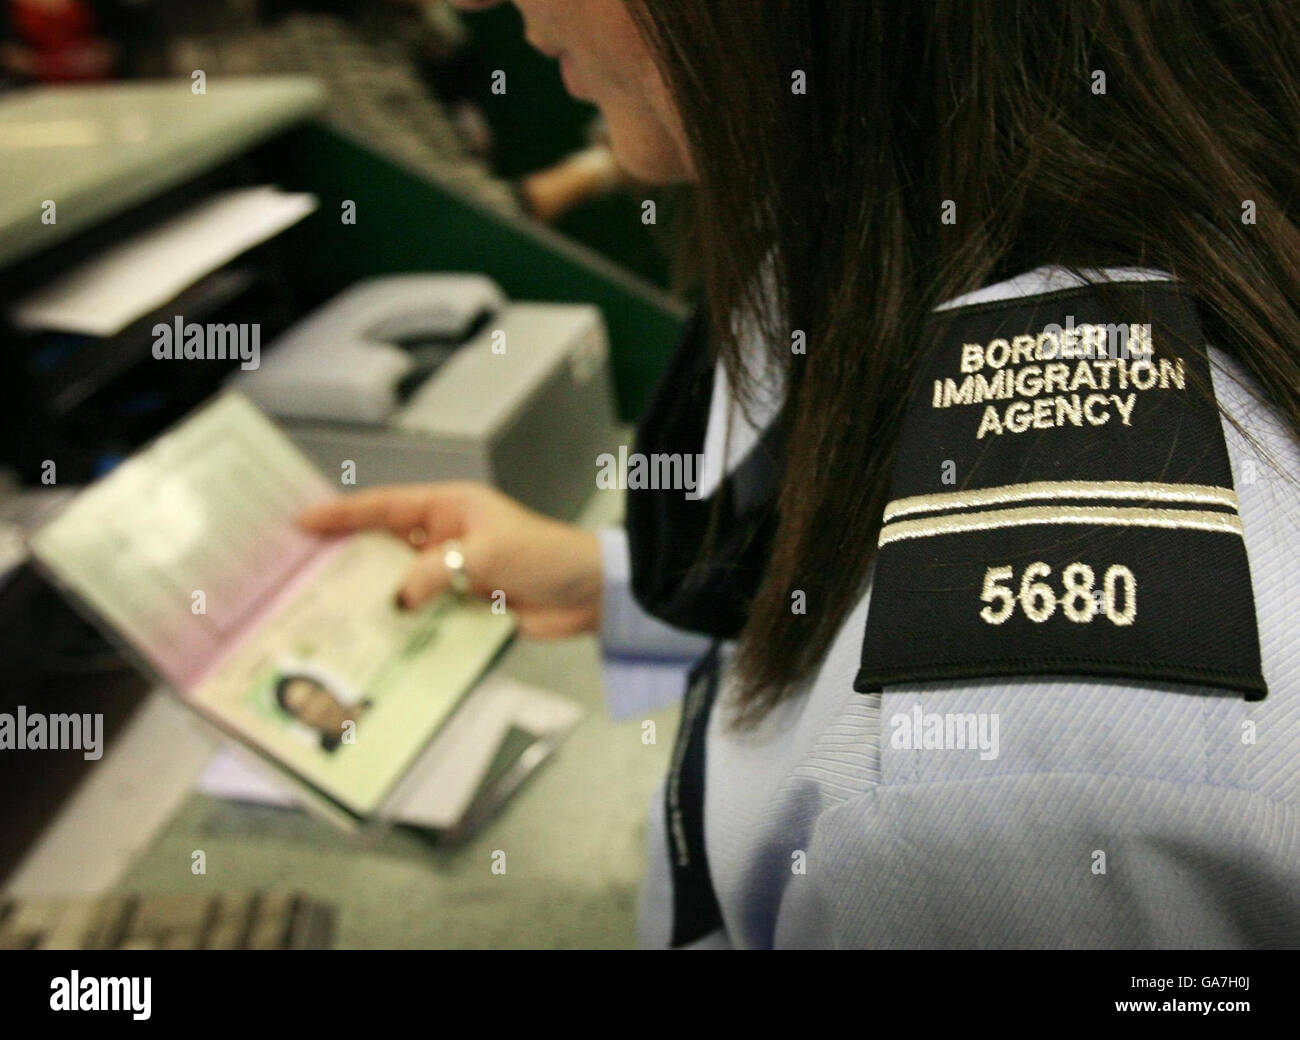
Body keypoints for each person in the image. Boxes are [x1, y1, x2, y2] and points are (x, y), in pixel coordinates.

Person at [299, 1, 1300, 948]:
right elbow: (850, 602)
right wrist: (603, 580)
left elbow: (902, 716)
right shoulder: (901, 250)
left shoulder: (987, 772)